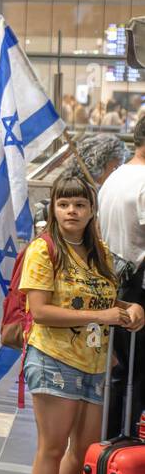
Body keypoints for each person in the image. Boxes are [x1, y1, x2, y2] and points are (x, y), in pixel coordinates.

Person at [20, 171, 145, 474]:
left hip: (95, 363)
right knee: (53, 447)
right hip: (53, 359)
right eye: (63, 204)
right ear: (53, 210)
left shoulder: (100, 252)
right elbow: (41, 311)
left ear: (92, 209)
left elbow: (101, 302)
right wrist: (101, 317)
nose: (71, 211)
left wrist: (129, 307)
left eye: (79, 204)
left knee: (84, 449)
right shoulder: (42, 251)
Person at [95, 114, 145, 449]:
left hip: (114, 282)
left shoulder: (116, 177)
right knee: (137, 376)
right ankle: (121, 449)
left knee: (121, 372)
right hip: (138, 291)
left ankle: (109, 445)